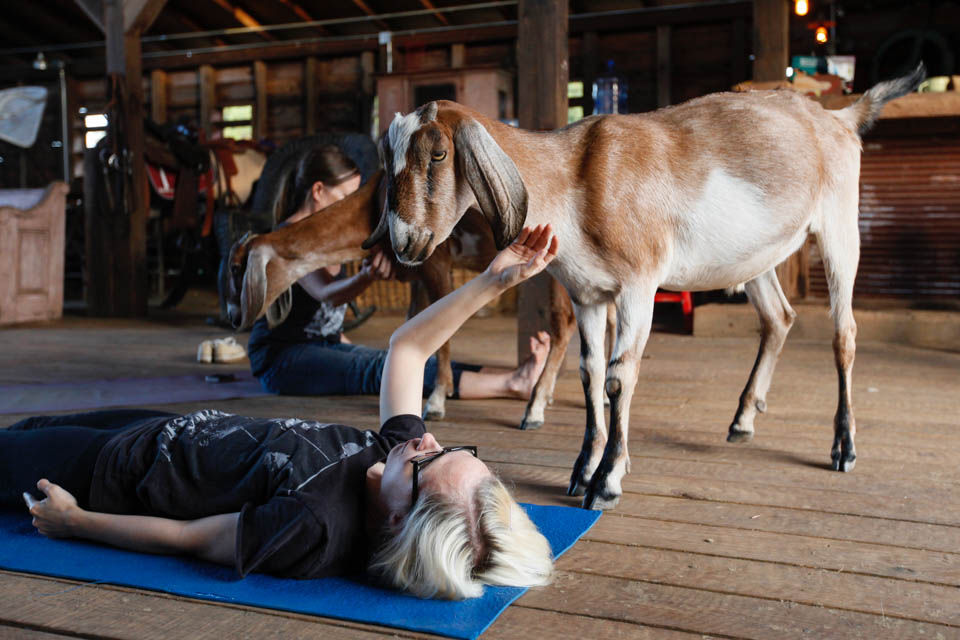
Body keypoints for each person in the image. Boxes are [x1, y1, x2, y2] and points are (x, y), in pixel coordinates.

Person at [2, 224, 561, 600]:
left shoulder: (316, 528)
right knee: (26, 430)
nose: (427, 442)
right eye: (454, 449)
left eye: (428, 461)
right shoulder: (395, 460)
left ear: (398, 520)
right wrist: (491, 283)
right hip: (161, 428)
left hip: (116, 473)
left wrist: (75, 523)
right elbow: (409, 351)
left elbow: (190, 537)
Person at [247, 143, 551, 401]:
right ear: (317, 191)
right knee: (380, 370)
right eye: (344, 198)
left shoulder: (326, 237)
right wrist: (367, 277)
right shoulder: (289, 236)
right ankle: (512, 384)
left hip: (326, 343)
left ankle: (515, 376)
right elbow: (327, 296)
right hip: (283, 359)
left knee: (404, 358)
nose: (348, 207)